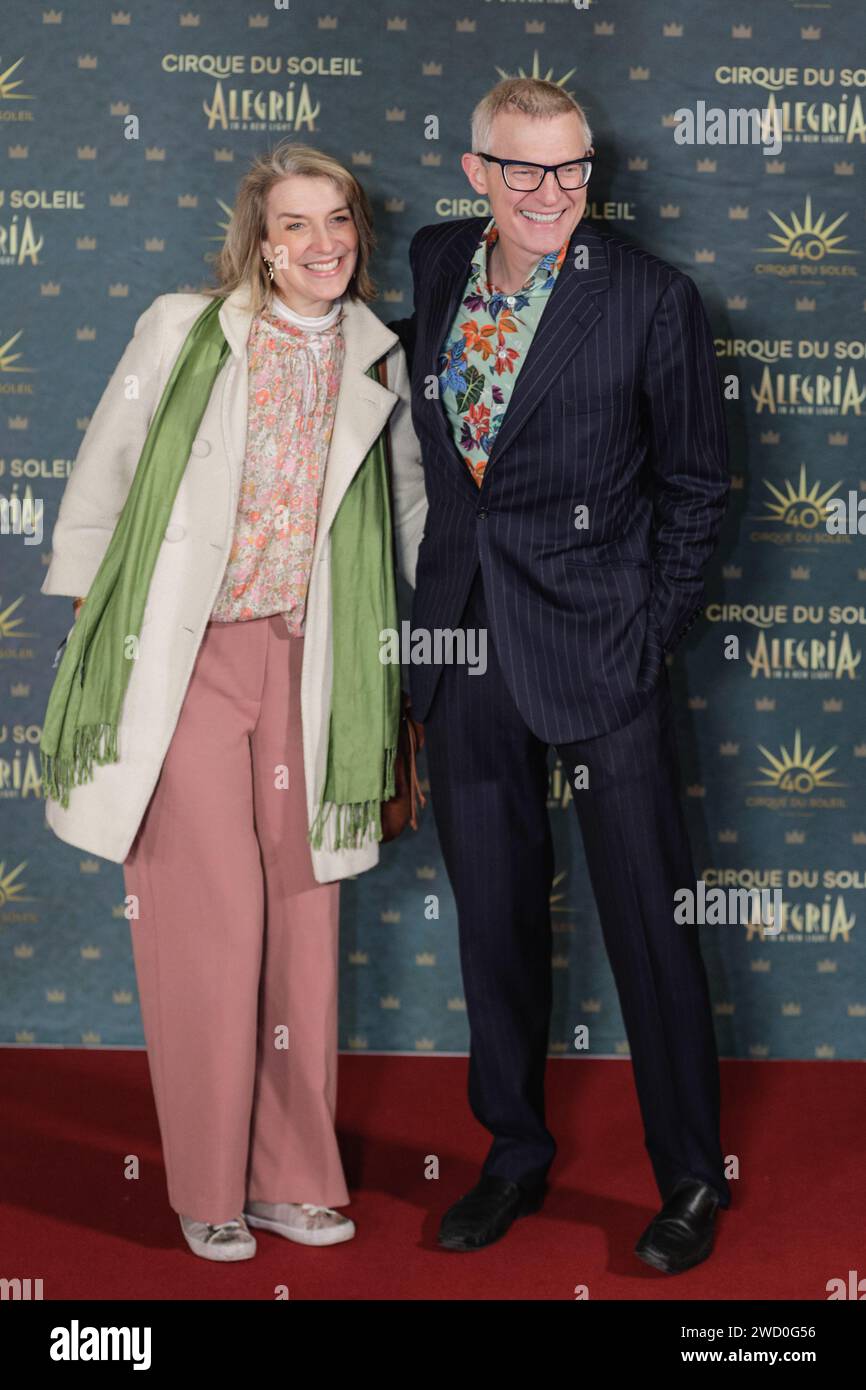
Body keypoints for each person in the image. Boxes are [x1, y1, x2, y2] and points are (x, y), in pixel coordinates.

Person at [40, 141, 427, 1262]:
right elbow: (108, 466)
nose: (323, 245)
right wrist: (91, 630)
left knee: (306, 925)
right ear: (258, 241)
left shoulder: (374, 353)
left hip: (313, 661)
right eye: (297, 226)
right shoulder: (181, 327)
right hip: (182, 659)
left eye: (338, 222)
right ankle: (207, 1186)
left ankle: (293, 1178)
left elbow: (404, 511)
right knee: (206, 930)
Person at [390, 77, 731, 1273]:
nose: (553, 196)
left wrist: (643, 640)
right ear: (477, 172)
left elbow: (695, 489)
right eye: (525, 172)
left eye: (573, 170)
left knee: (649, 926)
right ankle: (513, 1157)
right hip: (465, 645)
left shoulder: (647, 299)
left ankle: (690, 1174)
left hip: (601, 650)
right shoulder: (436, 262)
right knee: (492, 925)